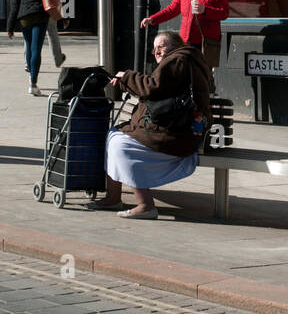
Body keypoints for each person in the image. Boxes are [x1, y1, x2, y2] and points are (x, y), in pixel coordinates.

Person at [90, 31, 210, 219]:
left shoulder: (178, 59)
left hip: (177, 134)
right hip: (176, 129)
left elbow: (153, 86)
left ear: (175, 44)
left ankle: (145, 204)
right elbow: (157, 88)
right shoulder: (183, 60)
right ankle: (113, 198)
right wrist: (126, 81)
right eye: (154, 50)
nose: (157, 52)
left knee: (122, 146)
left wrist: (126, 77)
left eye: (161, 46)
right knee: (114, 135)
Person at [141, 0, 229, 82]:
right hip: (185, 40)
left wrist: (205, 10)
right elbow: (172, 9)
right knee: (183, 71)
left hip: (205, 41)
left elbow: (224, 13)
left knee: (202, 73)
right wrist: (153, 19)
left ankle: (203, 97)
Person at [6, 0, 52, 96]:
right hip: (40, 14)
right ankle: (33, 83)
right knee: (36, 48)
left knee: (28, 45)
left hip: (24, 16)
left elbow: (15, 3)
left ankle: (31, 78)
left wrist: (10, 26)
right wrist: (63, 16)